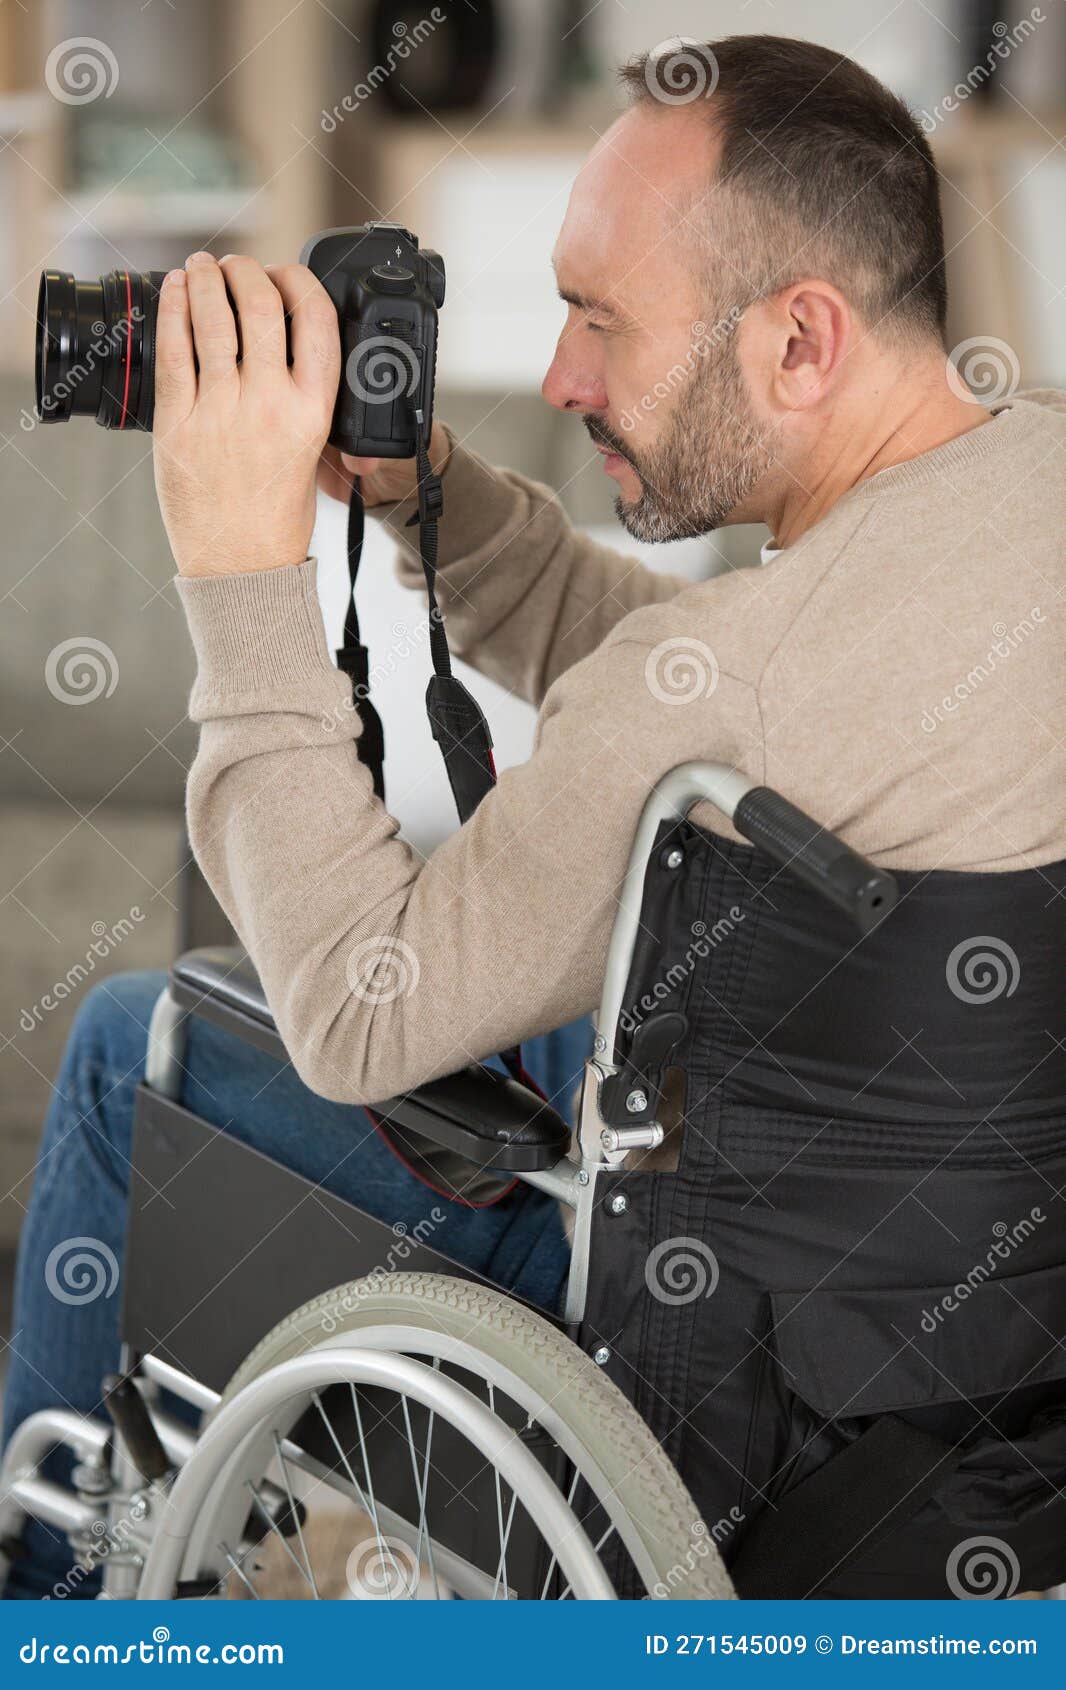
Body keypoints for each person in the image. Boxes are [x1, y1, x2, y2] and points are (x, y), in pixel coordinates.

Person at [3, 34, 1063, 1597]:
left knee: (122, 1042)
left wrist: (238, 569)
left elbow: (361, 1012)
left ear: (800, 339)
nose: (562, 378)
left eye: (599, 320)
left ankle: (46, 1605)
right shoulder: (1020, 480)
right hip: (943, 1360)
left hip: (689, 1379)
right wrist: (426, 490)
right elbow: (712, 682)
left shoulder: (724, 687)